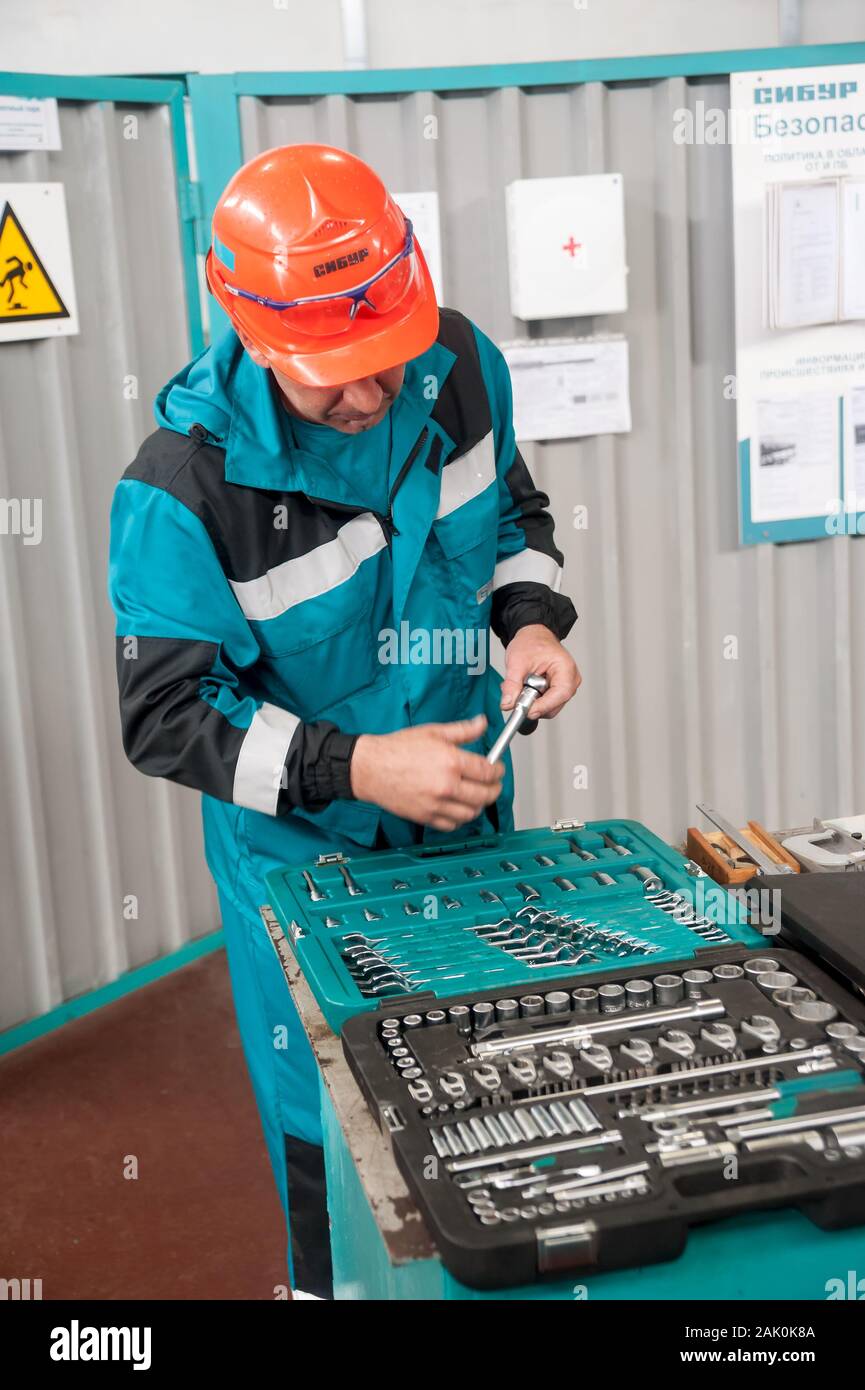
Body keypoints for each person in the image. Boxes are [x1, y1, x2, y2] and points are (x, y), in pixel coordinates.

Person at [108, 143, 580, 1298]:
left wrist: (527, 621)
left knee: (494, 1092)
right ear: (257, 339)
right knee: (340, 1123)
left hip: (465, 823)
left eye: (386, 360)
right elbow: (166, 716)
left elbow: (509, 504)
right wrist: (357, 766)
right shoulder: (181, 490)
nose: (370, 396)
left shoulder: (458, 362)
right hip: (305, 869)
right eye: (334, 378)